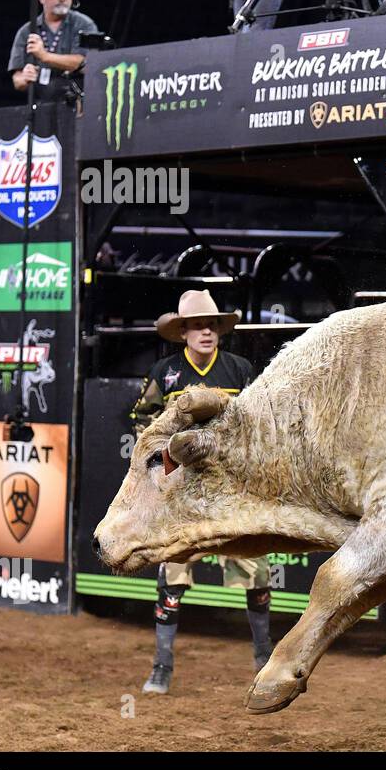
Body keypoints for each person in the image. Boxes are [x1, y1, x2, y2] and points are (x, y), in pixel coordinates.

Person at [129, 289, 270, 695]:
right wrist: (162, 456)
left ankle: (265, 662)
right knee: (171, 576)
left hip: (230, 490)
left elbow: (259, 419)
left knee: (256, 575)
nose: (205, 332)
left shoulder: (240, 370)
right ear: (183, 333)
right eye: (196, 326)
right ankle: (161, 667)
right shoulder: (166, 373)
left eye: (211, 325)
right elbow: (139, 416)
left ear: (219, 332)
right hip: (182, 495)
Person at [7, 0, 101, 104]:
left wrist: (44, 56)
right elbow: (17, 80)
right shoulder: (26, 31)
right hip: (40, 106)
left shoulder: (84, 24)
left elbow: (84, 62)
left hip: (79, 105)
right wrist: (25, 77)